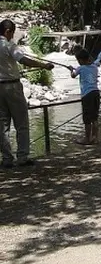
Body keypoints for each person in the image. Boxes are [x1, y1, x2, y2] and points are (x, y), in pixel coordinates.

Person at [0, 19, 54, 168]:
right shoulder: (9, 45)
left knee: (2, 126)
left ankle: (7, 159)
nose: (12, 36)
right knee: (21, 123)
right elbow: (23, 60)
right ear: (8, 31)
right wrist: (44, 65)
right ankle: (22, 157)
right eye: (12, 33)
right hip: (12, 87)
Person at [70, 48, 100, 145]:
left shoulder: (80, 68)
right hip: (96, 93)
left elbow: (73, 75)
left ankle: (87, 139)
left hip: (87, 95)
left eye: (78, 60)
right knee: (94, 118)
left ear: (81, 60)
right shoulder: (95, 67)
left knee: (87, 119)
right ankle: (95, 138)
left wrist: (71, 69)